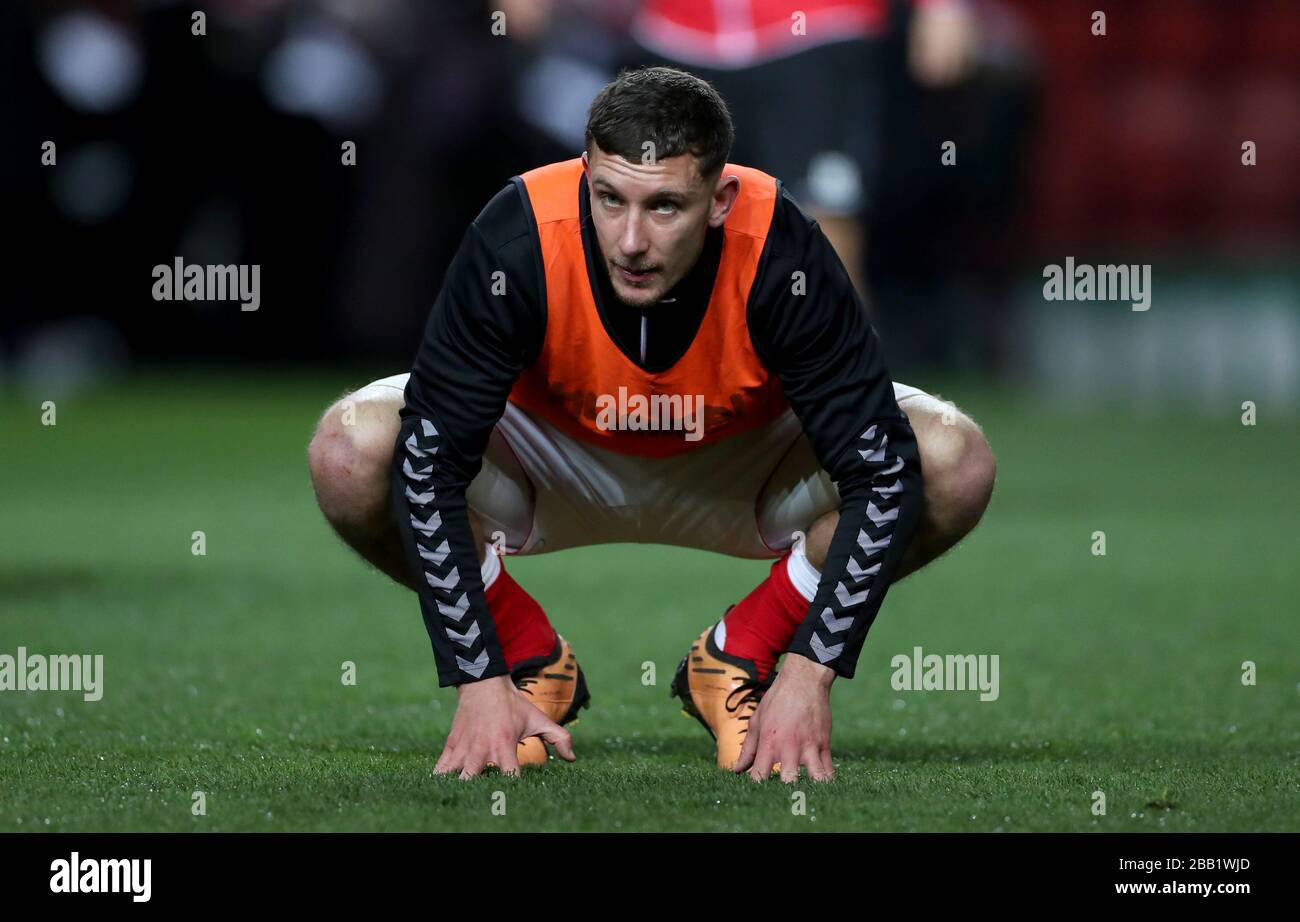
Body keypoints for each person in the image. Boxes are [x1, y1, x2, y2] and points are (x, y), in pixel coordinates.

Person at [308, 66, 995, 783]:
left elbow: (880, 467)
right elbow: (431, 460)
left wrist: (806, 676)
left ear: (720, 197)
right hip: (550, 459)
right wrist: (482, 680)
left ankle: (737, 654)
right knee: (349, 451)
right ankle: (532, 660)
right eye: (608, 198)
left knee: (955, 460)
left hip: (743, 465)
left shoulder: (782, 248)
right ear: (585, 178)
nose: (630, 240)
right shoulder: (518, 234)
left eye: (664, 206)